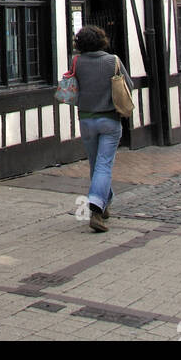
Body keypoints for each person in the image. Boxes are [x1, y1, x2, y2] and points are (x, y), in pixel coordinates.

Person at [73, 26, 133, 233]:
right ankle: (97, 210)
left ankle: (105, 202)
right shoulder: (112, 61)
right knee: (104, 165)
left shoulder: (77, 62)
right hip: (109, 120)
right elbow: (129, 85)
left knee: (95, 164)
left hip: (86, 119)